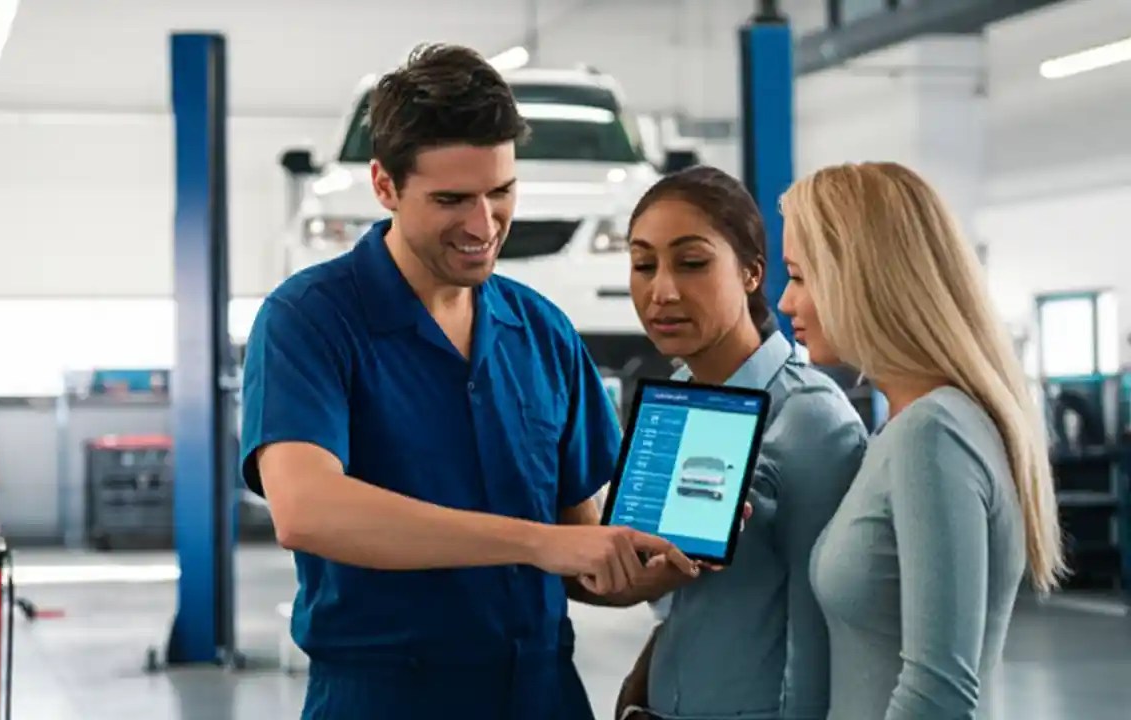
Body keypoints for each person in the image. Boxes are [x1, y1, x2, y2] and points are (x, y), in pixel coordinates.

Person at [239, 44, 697, 720]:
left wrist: (649, 566)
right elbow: (307, 510)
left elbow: (579, 555)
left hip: (542, 692)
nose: (484, 226)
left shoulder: (542, 332)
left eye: (500, 192)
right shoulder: (309, 320)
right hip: (386, 699)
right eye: (450, 200)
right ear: (385, 186)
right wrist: (538, 543)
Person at [779, 161, 1067, 719]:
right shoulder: (913, 428)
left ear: (861, 277)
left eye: (800, 277)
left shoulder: (932, 434)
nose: (787, 302)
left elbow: (937, 694)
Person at [608, 166, 869, 720]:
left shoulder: (811, 421)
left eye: (692, 263)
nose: (662, 292)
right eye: (644, 265)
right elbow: (683, 596)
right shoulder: (675, 404)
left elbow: (823, 630)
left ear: (752, 273)